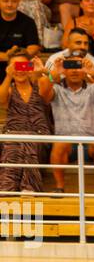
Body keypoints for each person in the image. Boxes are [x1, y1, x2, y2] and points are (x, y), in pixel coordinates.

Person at [38, 55, 94, 194]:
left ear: (84, 70)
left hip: (90, 142)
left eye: (78, 66)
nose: (74, 71)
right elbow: (43, 93)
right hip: (66, 144)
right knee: (59, 144)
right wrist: (55, 73)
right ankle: (59, 187)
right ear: (64, 71)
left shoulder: (93, 87)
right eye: (69, 67)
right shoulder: (57, 89)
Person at [0, 57, 52, 194]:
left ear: (29, 68)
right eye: (15, 66)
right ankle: (8, 187)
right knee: (13, 142)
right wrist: (7, 76)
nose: (19, 70)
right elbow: (1, 99)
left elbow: (50, 85)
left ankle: (28, 187)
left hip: (39, 135)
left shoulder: (39, 84)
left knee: (28, 140)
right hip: (13, 135)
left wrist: (43, 72)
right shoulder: (9, 89)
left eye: (23, 66)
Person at [0, 0, 40, 66]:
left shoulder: (28, 22)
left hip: (20, 63)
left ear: (18, 2)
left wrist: (17, 58)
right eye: (5, 1)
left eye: (13, 1)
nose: (9, 4)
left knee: (34, 67)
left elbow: (34, 47)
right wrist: (7, 57)